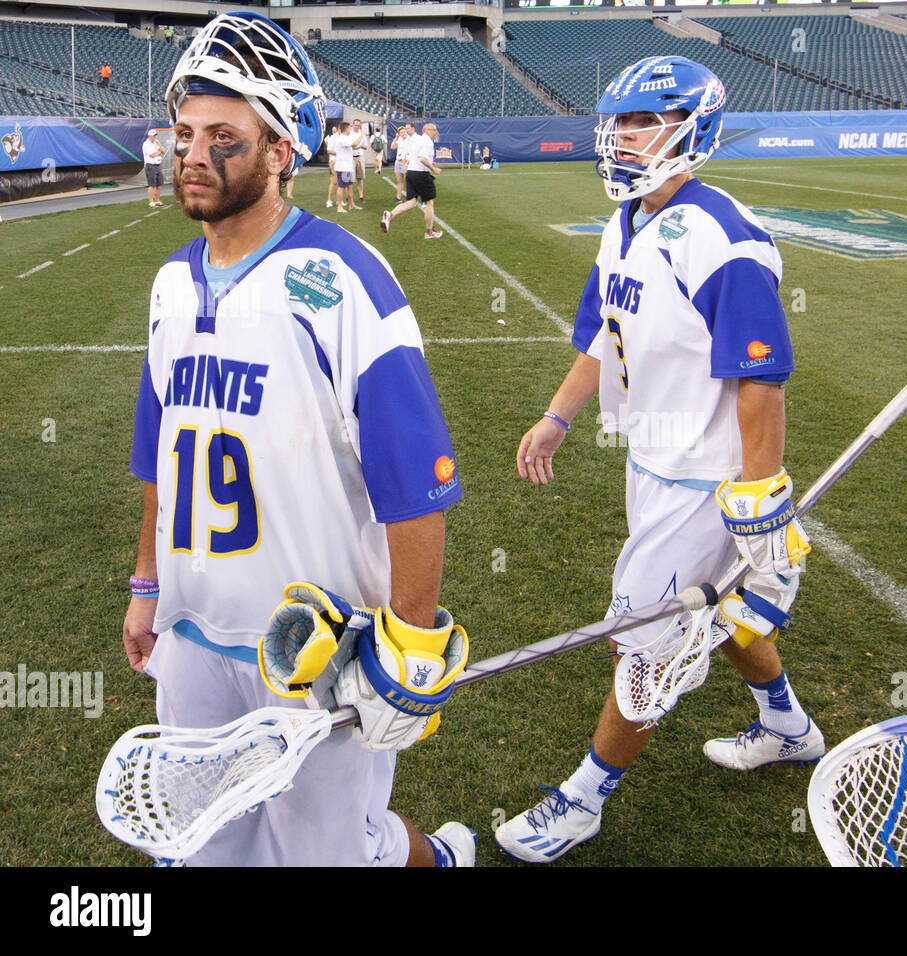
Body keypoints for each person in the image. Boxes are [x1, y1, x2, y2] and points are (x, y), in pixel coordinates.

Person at [121, 10, 473, 868]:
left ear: (281, 152)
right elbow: (159, 451)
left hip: (309, 643)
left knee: (328, 855)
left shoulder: (342, 280)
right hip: (193, 632)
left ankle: (434, 857)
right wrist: (145, 582)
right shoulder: (172, 281)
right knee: (207, 844)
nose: (193, 154)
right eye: (184, 133)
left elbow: (413, 483)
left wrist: (413, 641)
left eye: (223, 137)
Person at [493, 56, 821, 865]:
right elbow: (604, 339)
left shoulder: (721, 236)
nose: (623, 138)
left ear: (690, 129)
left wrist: (759, 496)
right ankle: (788, 726)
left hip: (707, 479)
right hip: (654, 461)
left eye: (642, 122)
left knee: (644, 642)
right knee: (719, 614)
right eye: (618, 124)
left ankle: (584, 799)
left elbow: (759, 379)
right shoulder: (626, 223)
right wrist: (556, 418)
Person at [381, 122, 440, 239]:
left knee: (411, 202)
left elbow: (416, 156)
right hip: (421, 174)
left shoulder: (417, 140)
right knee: (429, 202)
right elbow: (422, 158)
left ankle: (390, 215)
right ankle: (429, 231)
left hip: (411, 173)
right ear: (427, 130)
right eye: (434, 130)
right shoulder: (427, 141)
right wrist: (434, 168)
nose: (436, 132)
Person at [141, 128, 166, 208]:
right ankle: (151, 202)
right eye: (154, 135)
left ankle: (157, 200)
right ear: (149, 136)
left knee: (159, 185)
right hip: (150, 166)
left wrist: (159, 144)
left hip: (158, 165)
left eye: (155, 135)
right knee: (152, 185)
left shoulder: (156, 143)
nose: (155, 137)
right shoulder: (146, 144)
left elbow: (164, 151)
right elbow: (152, 155)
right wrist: (159, 152)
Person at [349, 118, 367, 204]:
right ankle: (349, 196)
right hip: (351, 157)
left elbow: (366, 146)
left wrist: (360, 147)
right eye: (355, 125)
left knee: (360, 178)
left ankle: (361, 196)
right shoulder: (349, 133)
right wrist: (354, 146)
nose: (356, 127)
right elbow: (349, 144)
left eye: (358, 125)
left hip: (360, 156)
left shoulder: (362, 133)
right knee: (351, 179)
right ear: (352, 125)